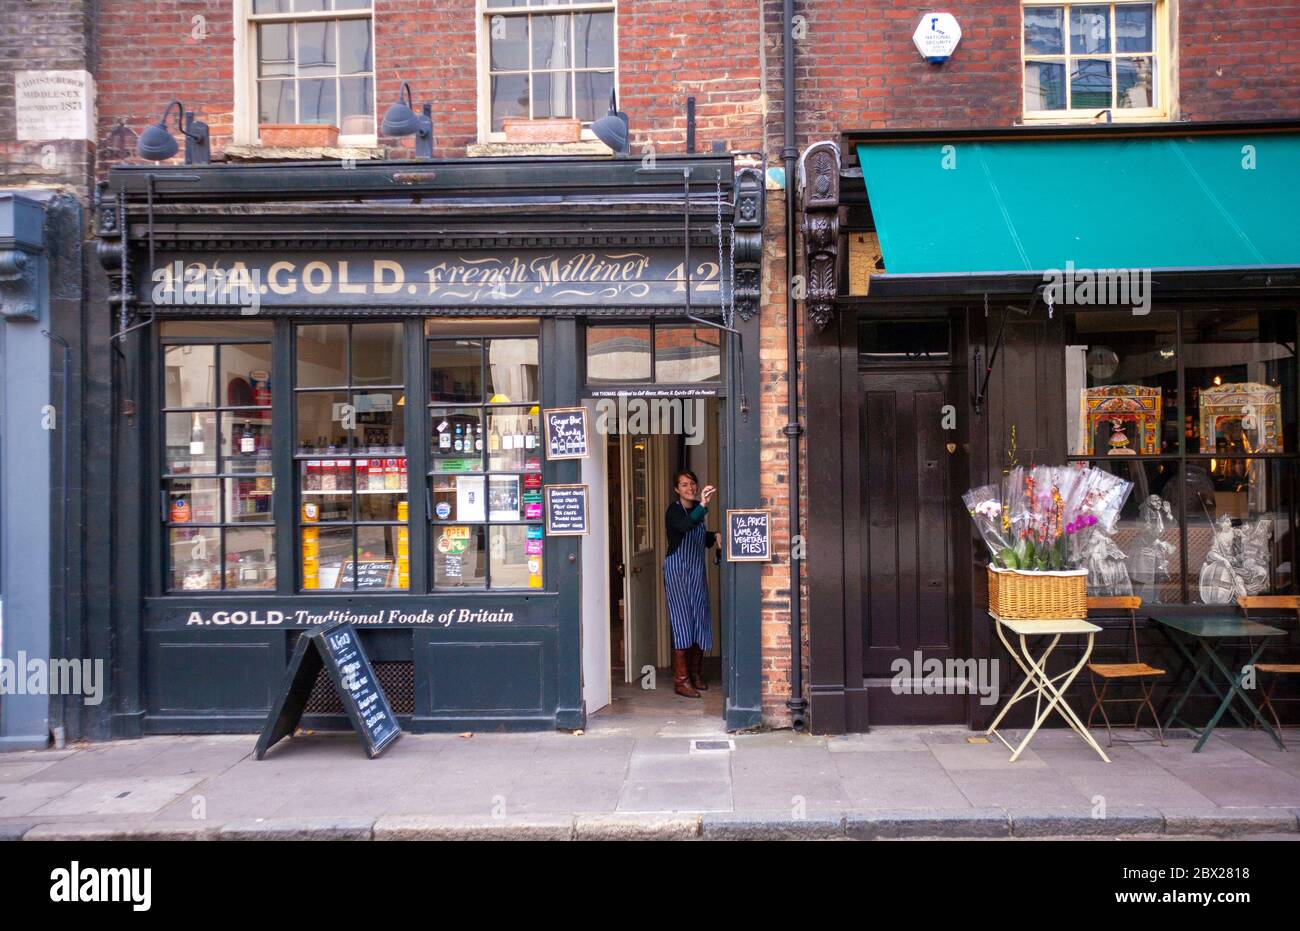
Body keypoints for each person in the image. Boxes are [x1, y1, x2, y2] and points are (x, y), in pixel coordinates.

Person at [664, 469, 717, 698]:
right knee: (682, 620)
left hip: (696, 571)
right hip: (677, 570)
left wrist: (715, 536)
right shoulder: (674, 511)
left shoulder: (697, 510)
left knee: (700, 618)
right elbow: (685, 527)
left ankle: (695, 674)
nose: (690, 488)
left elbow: (701, 540)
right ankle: (681, 680)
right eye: (684, 485)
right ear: (677, 489)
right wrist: (703, 505)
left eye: (692, 483)